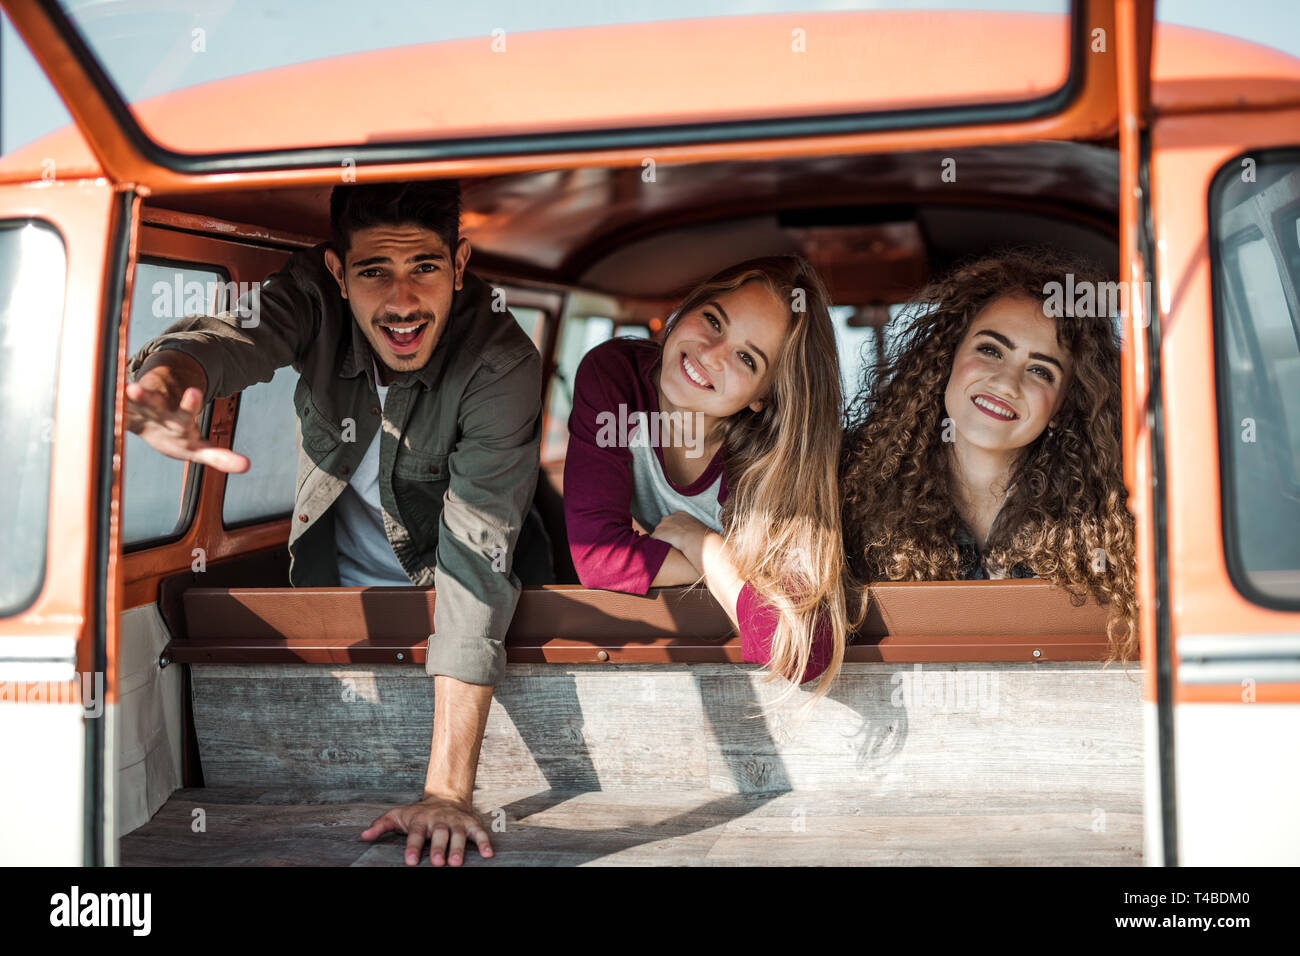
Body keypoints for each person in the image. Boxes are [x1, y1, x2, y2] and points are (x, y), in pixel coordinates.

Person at [124, 179, 551, 866]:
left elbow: (474, 566)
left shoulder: (500, 363)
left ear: (461, 263)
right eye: (375, 271)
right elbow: (232, 334)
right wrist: (168, 381)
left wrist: (445, 792)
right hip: (336, 605)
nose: (403, 301)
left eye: (425, 268)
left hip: (470, 617)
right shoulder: (312, 300)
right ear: (336, 273)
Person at [564, 256, 852, 698]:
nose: (711, 355)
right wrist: (730, 568)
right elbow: (597, 556)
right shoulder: (615, 378)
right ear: (689, 307)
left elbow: (799, 651)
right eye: (713, 321)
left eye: (746, 358)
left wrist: (699, 540)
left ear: (763, 398)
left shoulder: (771, 461)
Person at [840, 249, 1138, 660]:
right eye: (991, 350)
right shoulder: (849, 497)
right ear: (948, 359)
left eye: (1040, 371)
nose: (1006, 382)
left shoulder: (1112, 528)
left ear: (1062, 408)